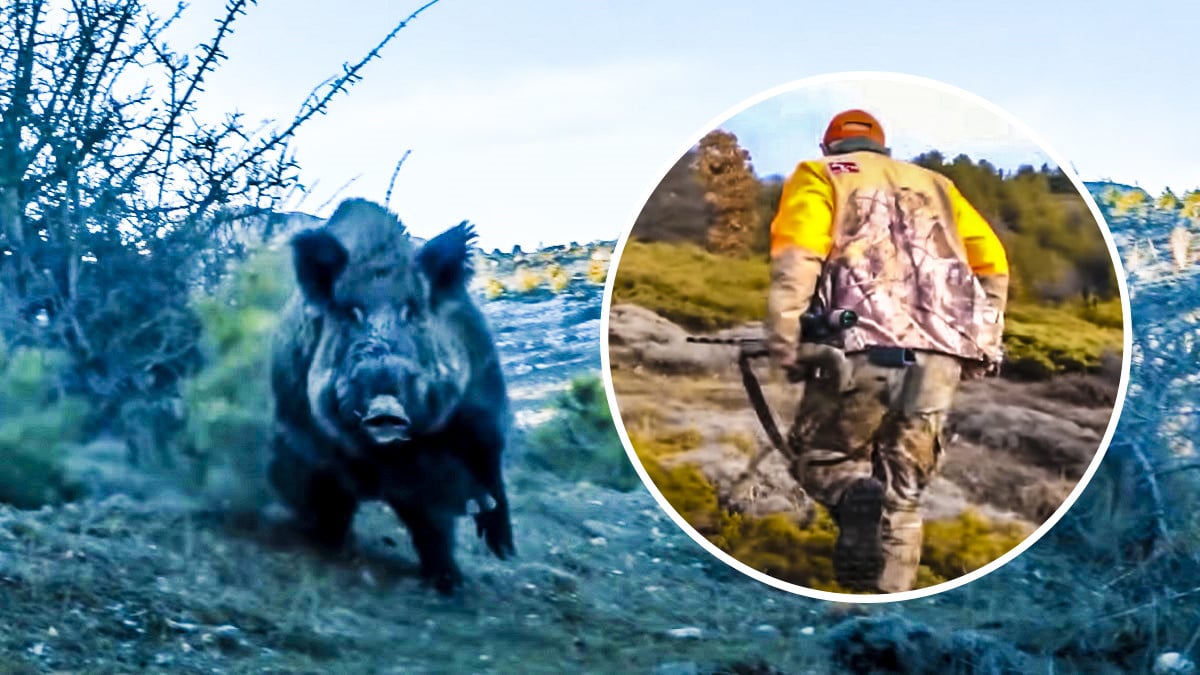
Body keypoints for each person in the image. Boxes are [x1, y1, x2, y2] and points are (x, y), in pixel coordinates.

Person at [765, 109, 1010, 594]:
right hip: (940, 356)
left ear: (827, 146)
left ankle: (852, 493)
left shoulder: (821, 175)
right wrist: (983, 336)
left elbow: (799, 255)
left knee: (824, 458)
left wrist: (785, 335)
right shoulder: (938, 184)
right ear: (884, 148)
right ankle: (888, 609)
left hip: (861, 347)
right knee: (904, 496)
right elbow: (993, 263)